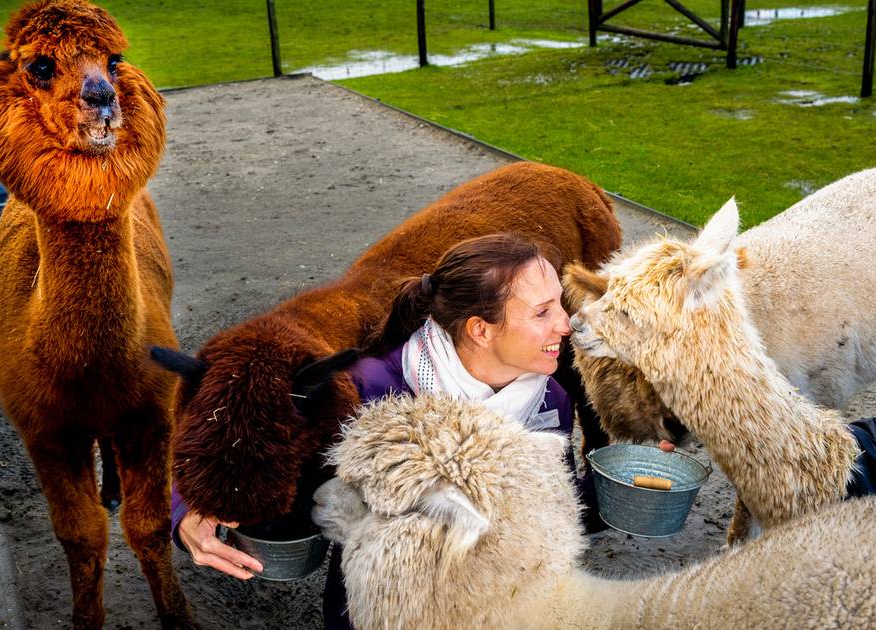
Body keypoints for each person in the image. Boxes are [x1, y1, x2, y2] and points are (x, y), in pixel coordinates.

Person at [172, 232, 603, 627]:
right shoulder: (371, 389)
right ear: (480, 329)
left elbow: (554, 508)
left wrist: (622, 492)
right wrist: (189, 510)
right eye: (543, 312)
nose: (567, 323)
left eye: (560, 304)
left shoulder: (552, 401)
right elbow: (250, 448)